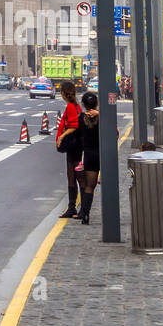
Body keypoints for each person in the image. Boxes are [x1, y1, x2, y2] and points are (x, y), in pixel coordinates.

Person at [55, 80, 84, 218]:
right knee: (72, 176)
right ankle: (73, 207)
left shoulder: (71, 107)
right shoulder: (75, 106)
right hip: (75, 146)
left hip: (74, 146)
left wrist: (61, 137)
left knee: (76, 177)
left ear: (63, 93)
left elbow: (74, 126)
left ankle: (80, 207)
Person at [77, 91, 100, 224]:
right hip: (104, 154)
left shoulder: (81, 118)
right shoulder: (101, 118)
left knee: (89, 186)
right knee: (109, 185)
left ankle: (85, 214)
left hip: (89, 155)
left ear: (84, 105)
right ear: (96, 103)